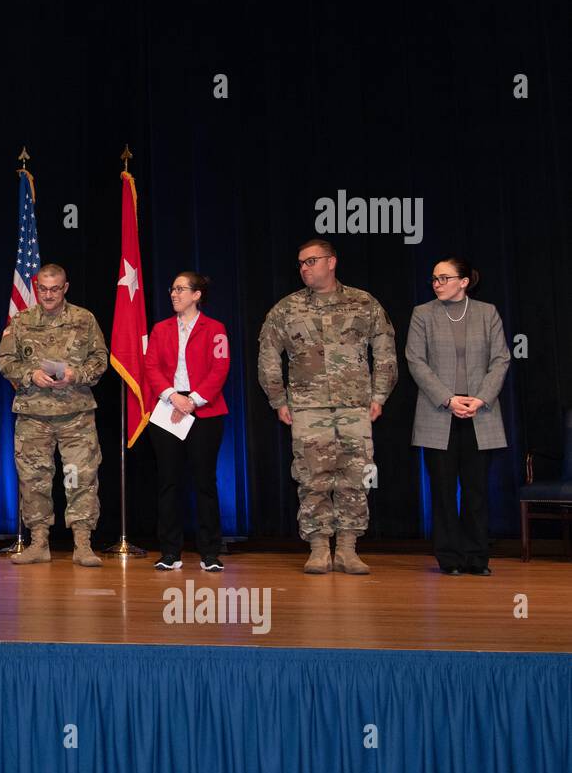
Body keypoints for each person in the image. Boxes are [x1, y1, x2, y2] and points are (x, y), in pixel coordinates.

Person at [258, 239, 397, 575]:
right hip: (308, 407)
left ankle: (348, 549)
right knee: (312, 478)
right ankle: (319, 548)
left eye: (312, 261)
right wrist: (278, 399)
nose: (305, 268)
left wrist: (379, 395)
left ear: (331, 262)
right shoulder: (286, 309)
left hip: (354, 406)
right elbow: (268, 355)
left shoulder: (363, 303)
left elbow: (385, 350)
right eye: (301, 263)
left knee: (357, 476)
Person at [0, 263, 109, 566]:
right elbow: (5, 361)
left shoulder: (84, 319)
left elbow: (101, 359)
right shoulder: (20, 321)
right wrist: (30, 374)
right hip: (33, 415)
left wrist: (77, 373)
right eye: (43, 289)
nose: (48, 295)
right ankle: (38, 543)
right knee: (34, 480)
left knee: (80, 479)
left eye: (54, 289)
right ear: (35, 287)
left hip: (76, 414)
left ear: (65, 288)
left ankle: (83, 545)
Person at [405, 257, 510, 576]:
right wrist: (448, 399)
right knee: (443, 491)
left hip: (480, 412)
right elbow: (415, 361)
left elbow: (501, 359)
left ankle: (477, 558)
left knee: (477, 492)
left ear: (464, 282)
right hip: (439, 413)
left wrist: (479, 399)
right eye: (434, 279)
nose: (437, 284)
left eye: (444, 278)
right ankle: (449, 558)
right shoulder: (423, 314)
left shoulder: (487, 312)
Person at [143, 272, 230, 571]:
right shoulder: (160, 329)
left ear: (197, 295)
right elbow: (151, 367)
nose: (174, 294)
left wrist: (193, 401)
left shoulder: (215, 329)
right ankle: (170, 552)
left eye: (181, 289)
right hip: (168, 408)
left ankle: (210, 553)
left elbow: (220, 369)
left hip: (205, 411)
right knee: (168, 482)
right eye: (172, 289)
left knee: (205, 481)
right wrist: (172, 397)